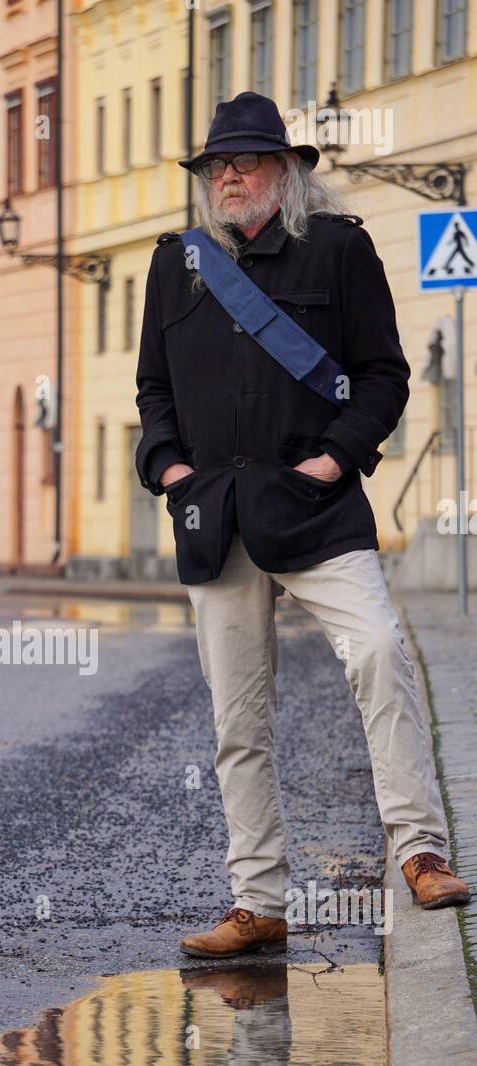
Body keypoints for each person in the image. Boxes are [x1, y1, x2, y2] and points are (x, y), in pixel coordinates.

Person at [134, 91, 471, 960]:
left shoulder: (342, 248)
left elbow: (385, 375)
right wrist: (168, 470)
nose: (231, 175)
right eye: (218, 165)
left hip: (319, 513)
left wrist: (335, 458)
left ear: (286, 172)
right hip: (218, 522)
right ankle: (259, 902)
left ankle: (421, 851)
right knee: (237, 722)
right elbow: (154, 390)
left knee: (381, 657)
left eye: (248, 161)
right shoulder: (175, 265)